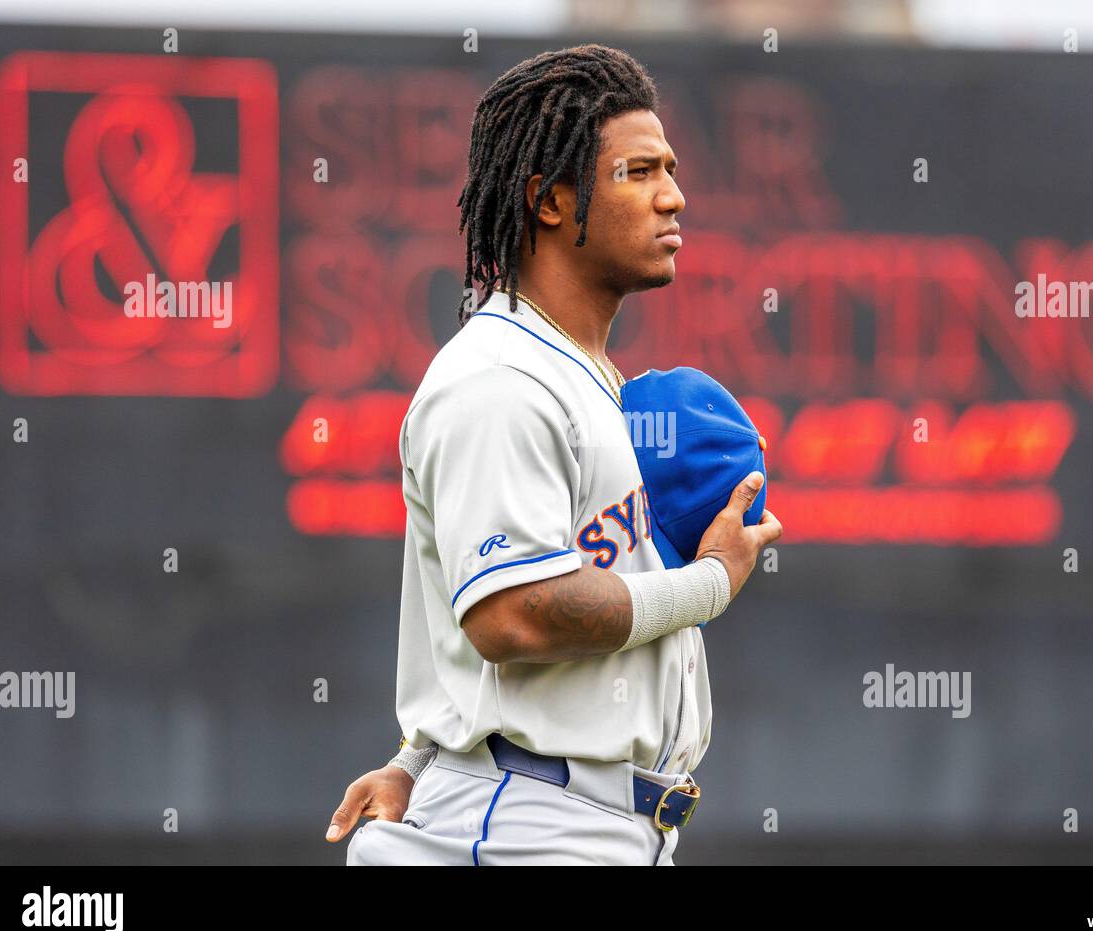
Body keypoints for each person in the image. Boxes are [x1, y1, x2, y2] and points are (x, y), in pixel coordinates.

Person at [325, 43, 782, 865]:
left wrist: (418, 758)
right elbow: (509, 614)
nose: (673, 197)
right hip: (533, 829)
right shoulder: (497, 379)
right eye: (637, 173)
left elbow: (479, 643)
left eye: (670, 169)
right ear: (547, 199)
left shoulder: (587, 381)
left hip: (582, 822)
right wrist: (708, 584)